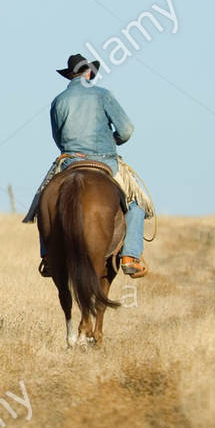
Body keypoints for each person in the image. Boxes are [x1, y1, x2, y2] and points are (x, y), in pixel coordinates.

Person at [37, 53, 147, 277]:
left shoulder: (59, 100)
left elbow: (57, 138)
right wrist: (112, 140)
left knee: (42, 202)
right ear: (88, 73)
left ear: (70, 75)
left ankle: (48, 256)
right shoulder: (104, 95)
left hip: (69, 160)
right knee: (137, 202)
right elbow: (127, 130)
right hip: (105, 159)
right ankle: (130, 255)